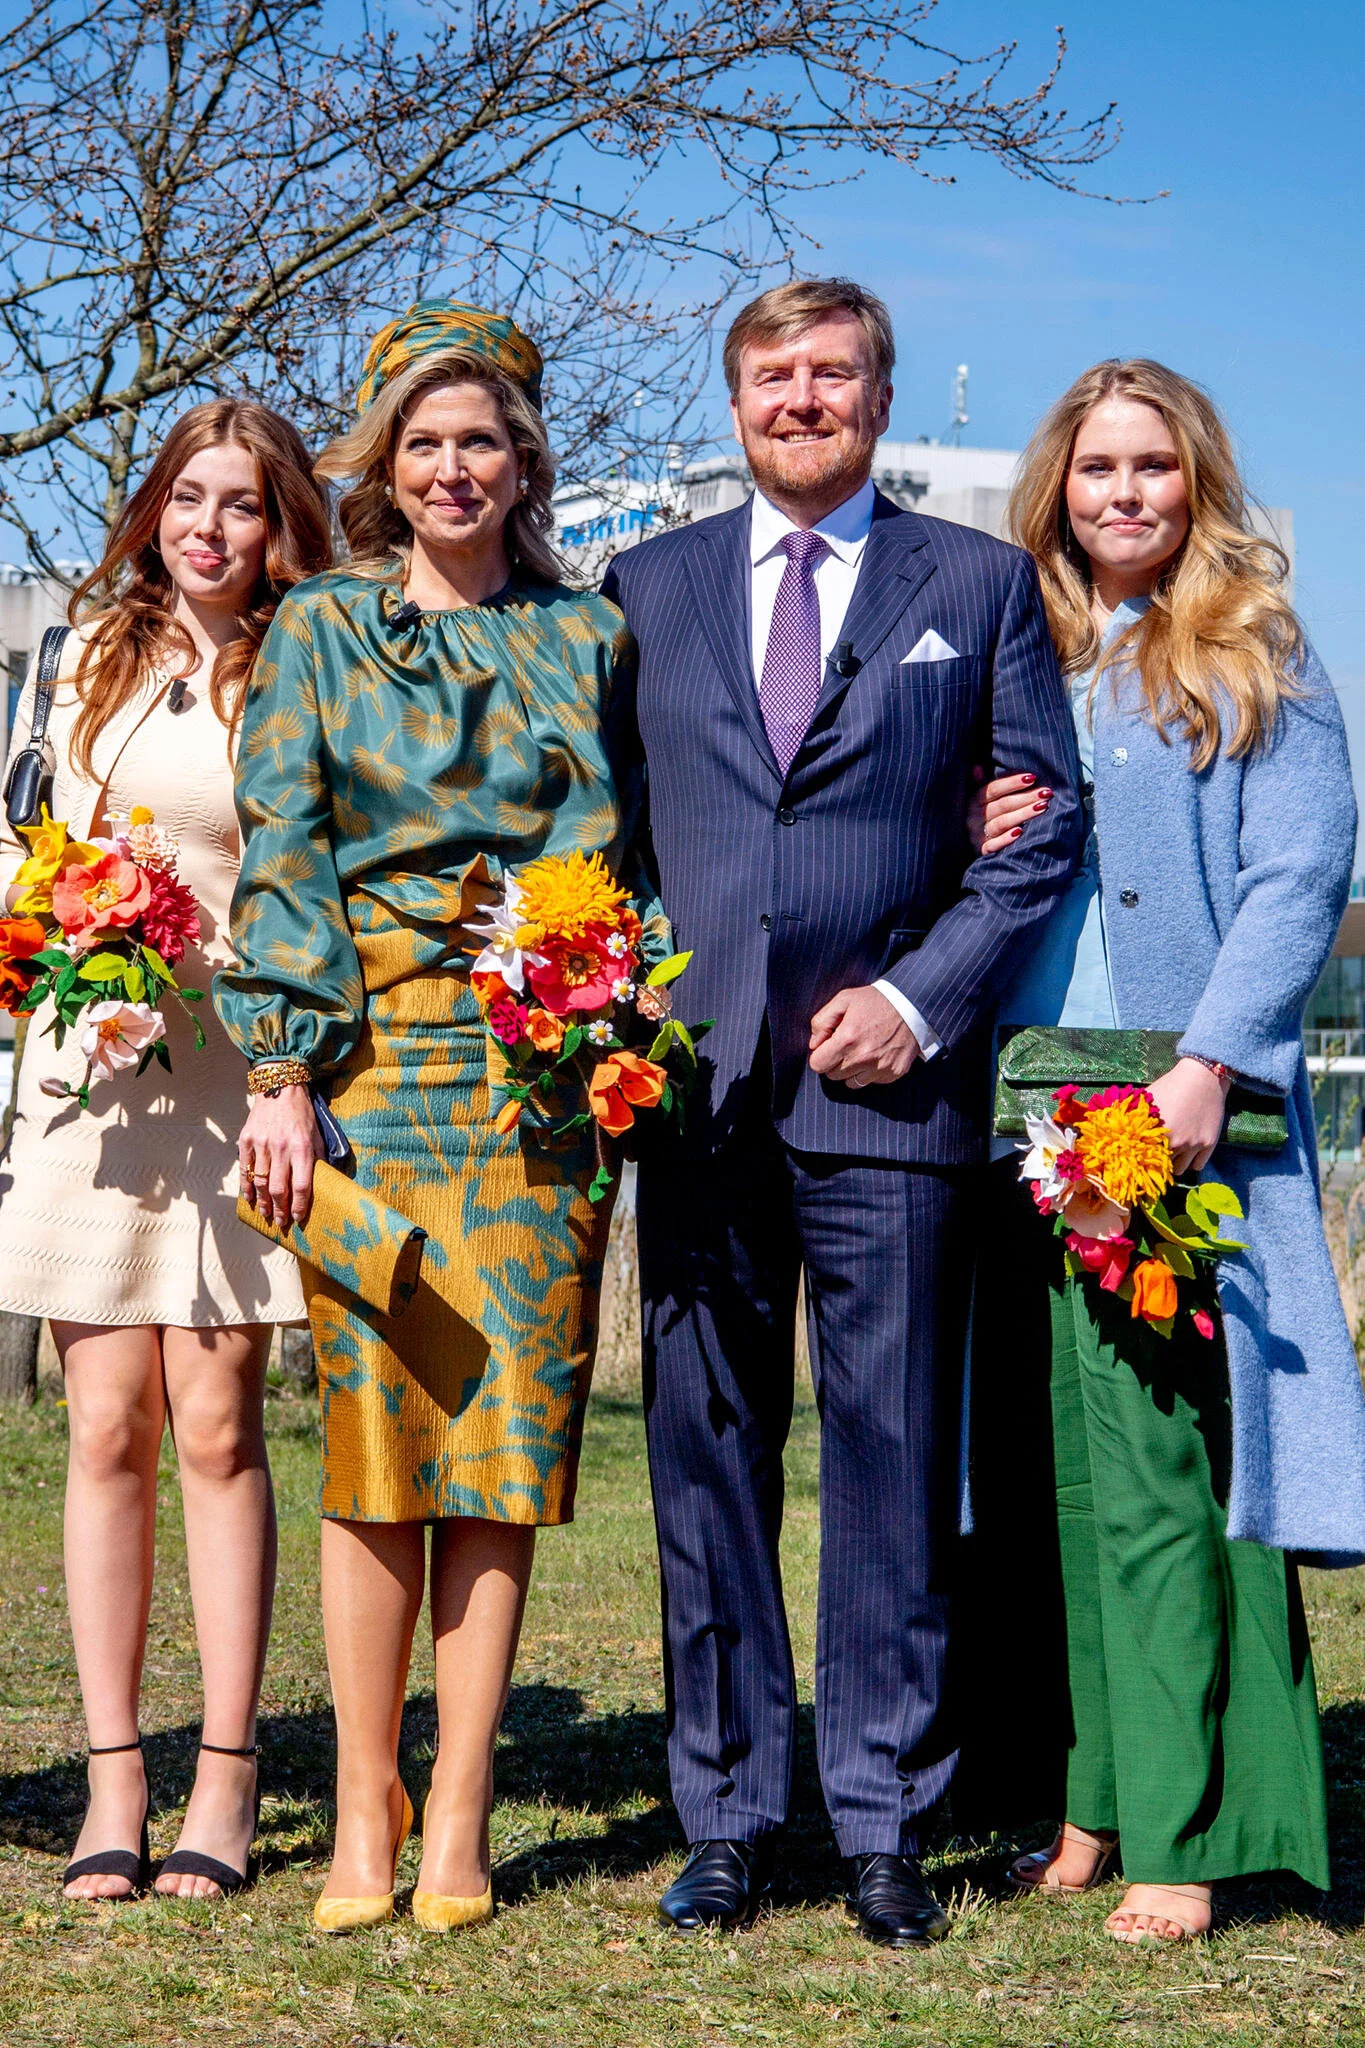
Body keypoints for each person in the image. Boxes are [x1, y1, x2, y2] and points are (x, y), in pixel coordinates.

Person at [601, 278, 1084, 1944]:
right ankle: (729, 1810)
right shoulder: (643, 588)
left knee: (890, 1463)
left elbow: (1038, 832)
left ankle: (884, 1818)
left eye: (831, 375)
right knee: (706, 1456)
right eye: (771, 376)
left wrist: (918, 997)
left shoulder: (982, 583)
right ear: (734, 401)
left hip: (896, 1102)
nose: (800, 400)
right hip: (702, 1103)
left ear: (878, 399)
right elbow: (609, 845)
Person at [216, 298, 646, 1935]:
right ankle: (361, 1810)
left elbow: (616, 856)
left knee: (501, 1444)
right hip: (373, 1077)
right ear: (385, 462)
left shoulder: (588, 635)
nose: (454, 465)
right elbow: (286, 845)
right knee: (381, 1438)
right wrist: (280, 1069)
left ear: (524, 461)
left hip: (537, 1081)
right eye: (425, 439)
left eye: (482, 439)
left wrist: (593, 997)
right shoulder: (321, 626)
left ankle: (460, 1805)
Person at [960, 358, 1365, 1942]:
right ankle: (1096, 1794)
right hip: (1027, 1102)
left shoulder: (1255, 651)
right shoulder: (1025, 648)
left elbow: (1299, 874)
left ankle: (1191, 1826)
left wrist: (1211, 1063)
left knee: (1169, 1471)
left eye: (1153, 467)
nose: (1123, 494)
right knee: (1060, 1475)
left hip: (1172, 1107)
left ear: (1196, 480)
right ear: (1055, 488)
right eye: (1095, 469)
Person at [0, 400, 331, 1900]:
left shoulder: (309, 662)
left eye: (244, 504)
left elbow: (313, 874)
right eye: (189, 497)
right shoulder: (82, 656)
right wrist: (58, 918)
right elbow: (29, 846)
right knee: (105, 1426)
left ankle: (227, 1782)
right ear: (153, 510)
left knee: (215, 1425)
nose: (211, 525)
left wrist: (288, 1062)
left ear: (280, 528)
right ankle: (112, 1785)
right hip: (94, 1075)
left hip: (239, 1075)